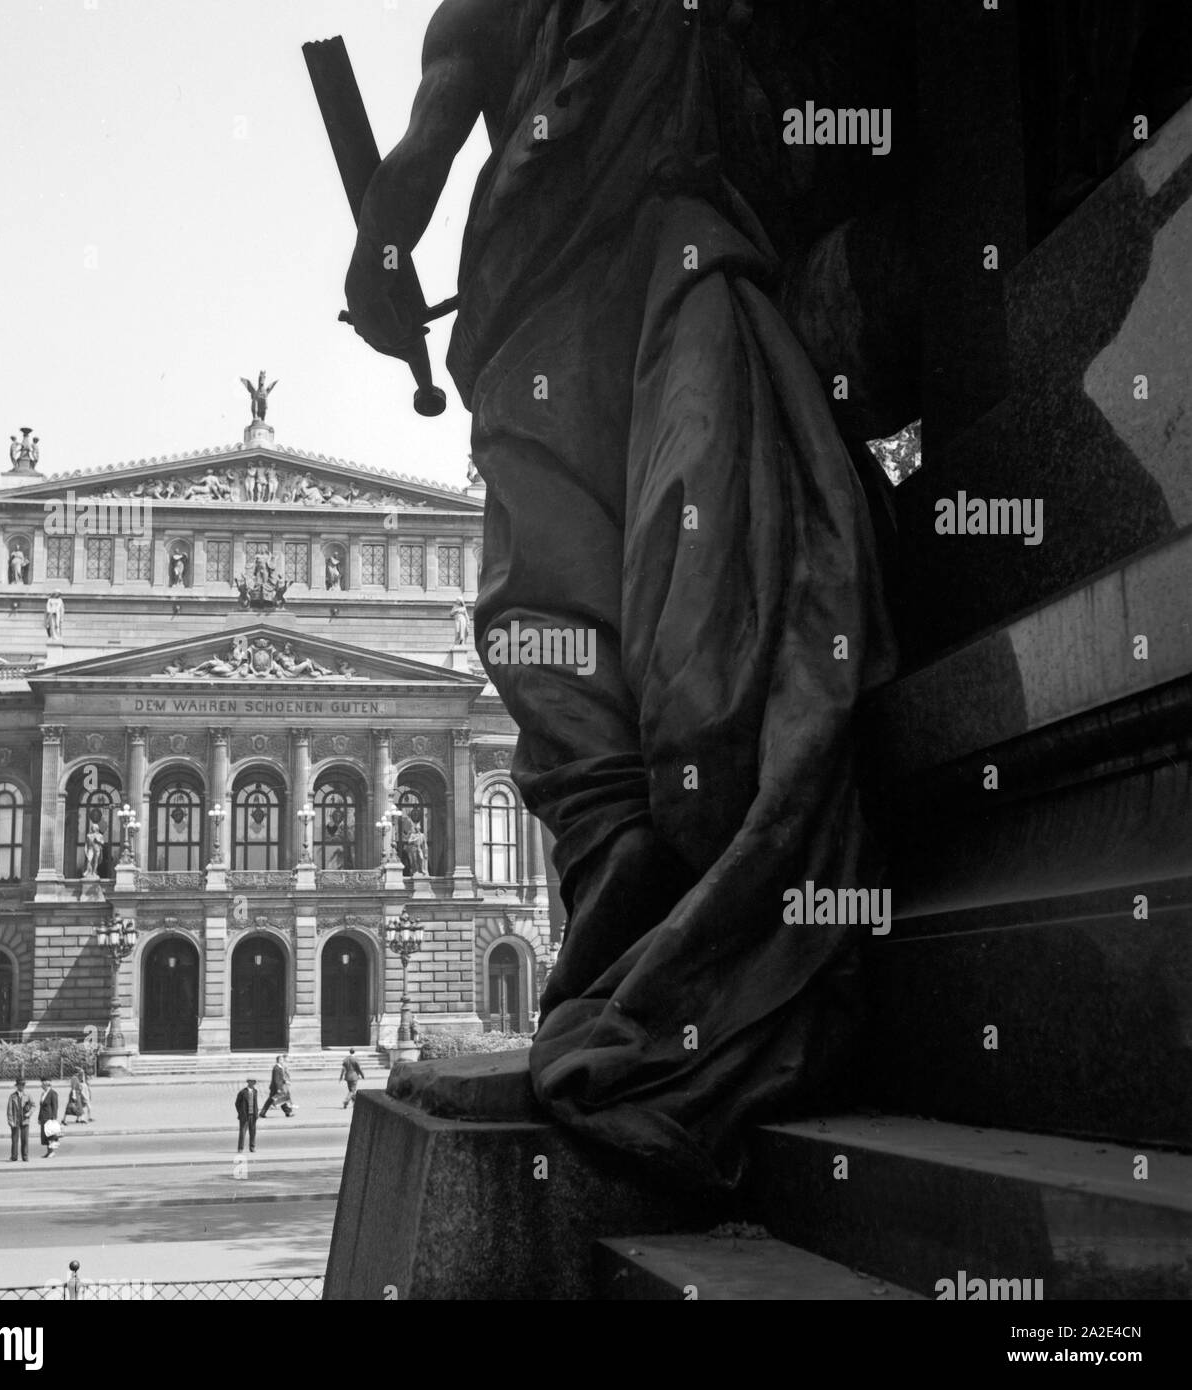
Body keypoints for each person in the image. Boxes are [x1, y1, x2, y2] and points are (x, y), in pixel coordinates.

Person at [343, 0, 907, 1184]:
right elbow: (413, 168)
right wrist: (384, 260)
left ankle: (720, 937)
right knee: (547, 631)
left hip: (681, 266)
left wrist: (387, 249)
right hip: (527, 321)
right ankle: (617, 949)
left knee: (702, 585)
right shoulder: (487, 8)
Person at [7, 1079, 34, 1162]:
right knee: (14, 1139)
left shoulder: (28, 1095)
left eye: (23, 1085)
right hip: (15, 1120)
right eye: (20, 1085)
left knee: (25, 1139)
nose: (22, 1086)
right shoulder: (12, 1096)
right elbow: (9, 1109)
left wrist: (29, 1113)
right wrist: (10, 1120)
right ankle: (14, 1156)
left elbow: (33, 1105)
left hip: (25, 1120)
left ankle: (25, 1156)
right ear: (17, 1086)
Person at [235, 1077, 259, 1153]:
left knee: (253, 1132)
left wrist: (256, 1113)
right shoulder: (242, 1092)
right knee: (242, 1132)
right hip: (245, 1115)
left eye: (254, 1082)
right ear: (248, 1082)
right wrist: (241, 1112)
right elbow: (237, 1103)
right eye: (251, 1082)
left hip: (253, 1115)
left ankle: (252, 1147)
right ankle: (240, 1148)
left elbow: (255, 1103)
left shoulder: (255, 1091)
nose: (253, 1083)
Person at [38, 1079, 60, 1157]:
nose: (41, 1086)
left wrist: (54, 1118)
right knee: (46, 1135)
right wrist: (39, 1117)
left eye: (42, 1084)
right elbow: (41, 1107)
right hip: (43, 1117)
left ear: (46, 1085)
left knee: (51, 1135)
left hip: (50, 1117)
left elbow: (55, 1106)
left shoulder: (53, 1093)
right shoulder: (43, 1093)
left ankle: (52, 1152)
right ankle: (48, 1152)